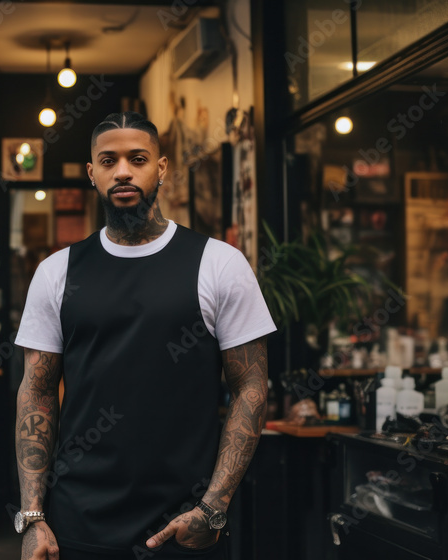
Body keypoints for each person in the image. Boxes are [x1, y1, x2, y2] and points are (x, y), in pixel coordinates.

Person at [14, 112, 276, 560]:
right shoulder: (57, 272)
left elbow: (250, 386)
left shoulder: (218, 263)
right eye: (108, 160)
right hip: (79, 520)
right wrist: (33, 517)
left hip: (184, 522)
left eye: (137, 159)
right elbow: (37, 391)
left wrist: (213, 506)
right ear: (92, 172)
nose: (122, 171)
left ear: (161, 168)